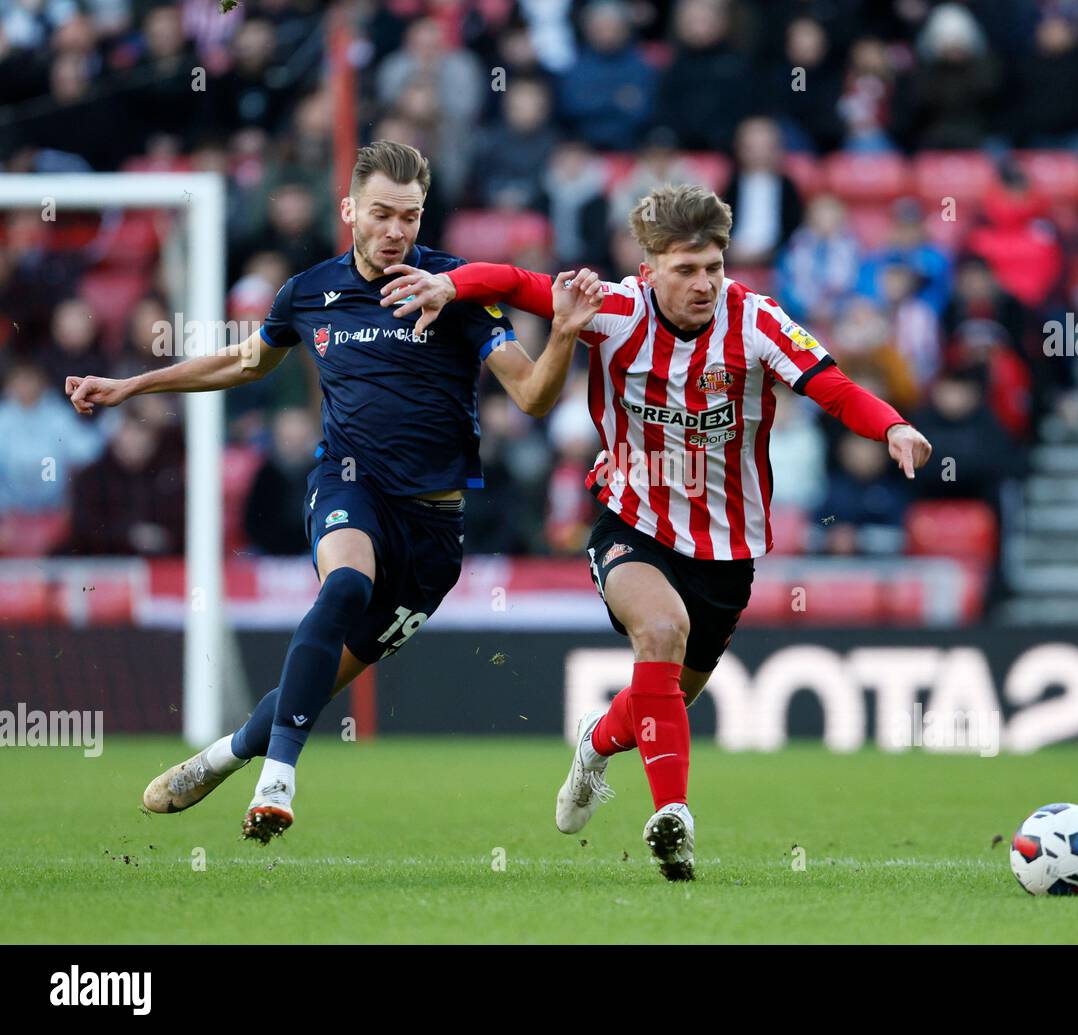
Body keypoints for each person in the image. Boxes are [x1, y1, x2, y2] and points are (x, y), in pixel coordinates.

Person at [386, 183, 932, 880]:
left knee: (665, 691)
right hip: (630, 523)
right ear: (649, 271)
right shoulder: (612, 311)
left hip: (726, 549)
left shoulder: (757, 321)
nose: (704, 283)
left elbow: (831, 385)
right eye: (686, 269)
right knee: (661, 632)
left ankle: (595, 744)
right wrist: (447, 282)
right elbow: (516, 282)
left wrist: (892, 425)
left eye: (714, 267)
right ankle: (672, 817)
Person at [64, 141, 602, 843]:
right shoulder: (310, 292)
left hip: (434, 536)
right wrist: (134, 384)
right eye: (381, 213)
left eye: (409, 216)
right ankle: (278, 780)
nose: (395, 231)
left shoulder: (456, 289)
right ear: (349, 209)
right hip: (350, 484)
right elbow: (247, 360)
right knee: (343, 585)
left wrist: (562, 332)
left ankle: (225, 754)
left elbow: (532, 396)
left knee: (314, 684)